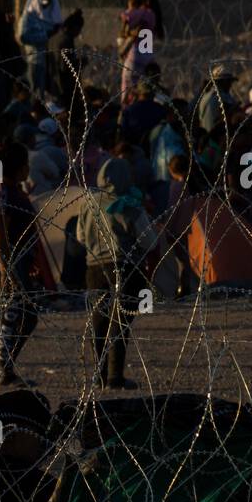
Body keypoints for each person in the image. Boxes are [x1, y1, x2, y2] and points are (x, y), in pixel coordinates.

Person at [77, 157, 157, 389]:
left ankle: (99, 375)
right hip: (123, 266)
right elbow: (149, 242)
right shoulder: (130, 205)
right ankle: (115, 376)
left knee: (99, 320)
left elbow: (81, 237)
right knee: (120, 322)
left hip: (94, 267)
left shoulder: (88, 203)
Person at [0, 141, 43, 386]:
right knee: (16, 314)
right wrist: (5, 270)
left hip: (18, 262)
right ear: (18, 168)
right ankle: (4, 370)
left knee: (24, 315)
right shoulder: (1, 193)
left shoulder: (12, 191)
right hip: (7, 264)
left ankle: (6, 367)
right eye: (25, 165)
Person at [18, 0, 65, 101]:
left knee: (41, 94)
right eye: (42, 2)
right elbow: (23, 37)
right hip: (32, 60)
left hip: (44, 60)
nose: (44, 5)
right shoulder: (27, 18)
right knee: (33, 91)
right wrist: (45, 35)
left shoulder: (43, 17)